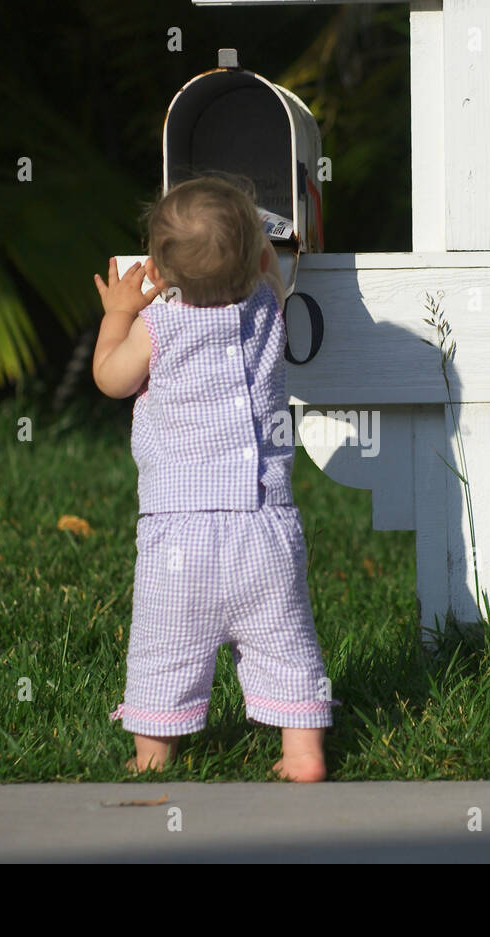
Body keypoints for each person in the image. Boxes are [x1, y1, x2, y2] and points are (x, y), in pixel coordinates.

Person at [91, 176, 334, 783]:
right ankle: (303, 754)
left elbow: (110, 379)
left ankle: (152, 755)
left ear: (161, 274)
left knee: (165, 645)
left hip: (180, 536)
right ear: (257, 259)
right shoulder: (265, 313)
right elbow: (272, 276)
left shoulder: (157, 328)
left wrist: (120, 314)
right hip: (264, 526)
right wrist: (263, 258)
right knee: (285, 643)